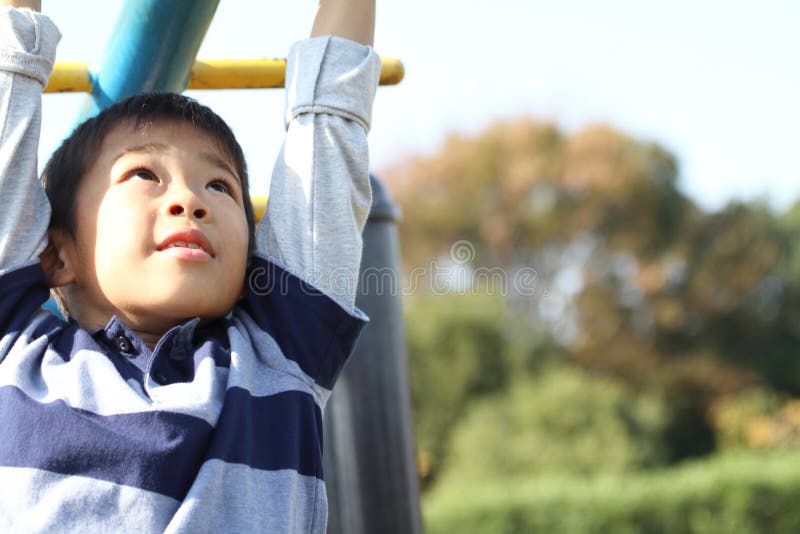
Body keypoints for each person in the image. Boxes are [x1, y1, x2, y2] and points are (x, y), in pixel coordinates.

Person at [0, 0, 379, 531]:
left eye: (219, 186)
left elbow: (329, 143)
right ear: (55, 253)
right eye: (142, 175)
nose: (188, 199)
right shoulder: (17, 358)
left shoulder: (278, 355)